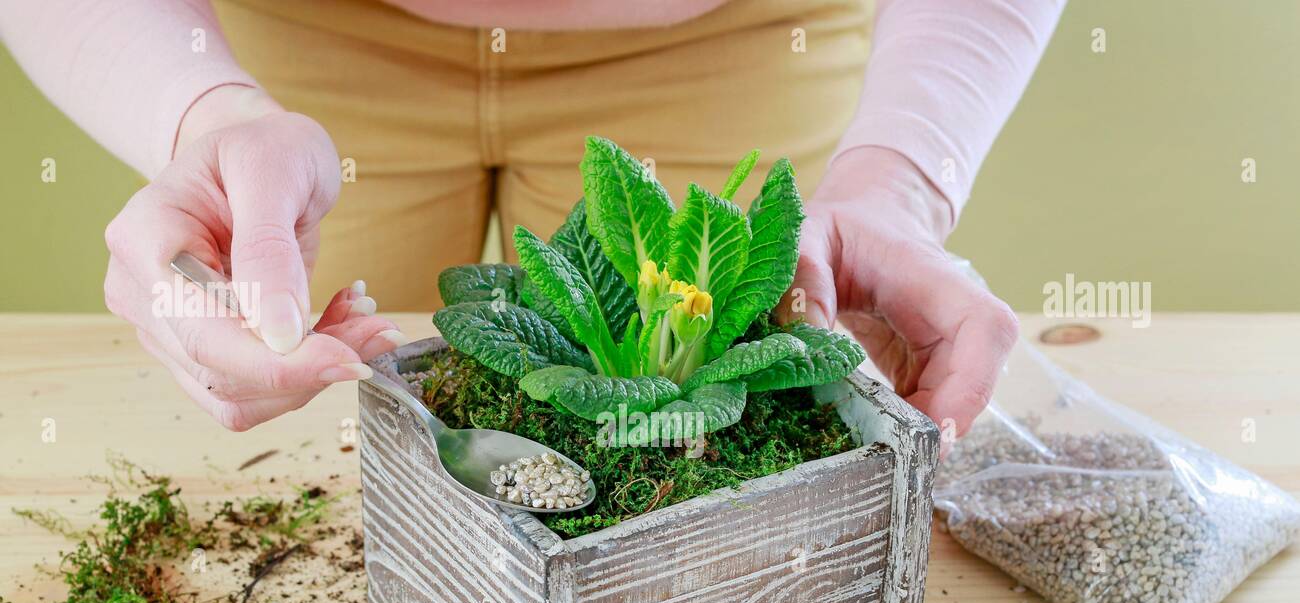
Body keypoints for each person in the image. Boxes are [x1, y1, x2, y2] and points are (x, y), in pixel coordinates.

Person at [2, 0, 1063, 435]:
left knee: (708, 421)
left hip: (727, 39)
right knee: (316, 396)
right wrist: (202, 117)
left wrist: (898, 183)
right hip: (305, 43)